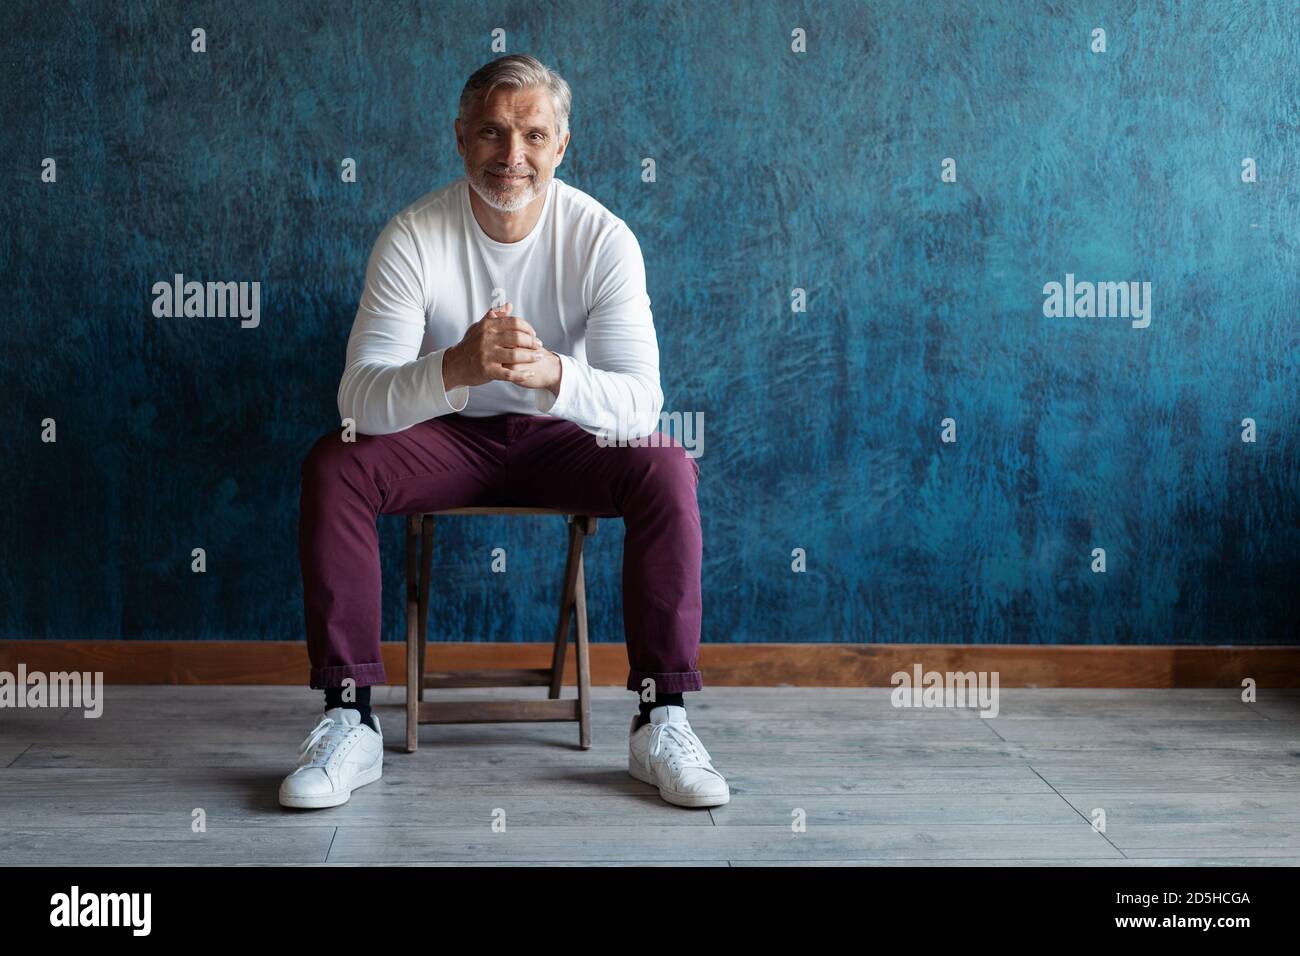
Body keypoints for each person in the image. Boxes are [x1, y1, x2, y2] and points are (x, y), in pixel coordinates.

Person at [279, 54, 728, 811]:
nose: (511, 155)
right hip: (445, 439)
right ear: (461, 139)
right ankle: (348, 718)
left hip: (562, 439)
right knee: (336, 463)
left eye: (531, 134)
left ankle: (663, 718)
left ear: (562, 146)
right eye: (491, 132)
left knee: (666, 465)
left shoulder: (603, 239)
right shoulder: (413, 236)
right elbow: (358, 401)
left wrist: (552, 373)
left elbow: (639, 402)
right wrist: (453, 367)